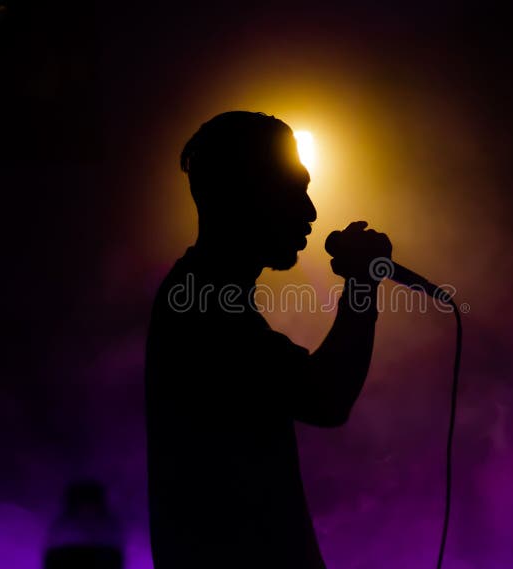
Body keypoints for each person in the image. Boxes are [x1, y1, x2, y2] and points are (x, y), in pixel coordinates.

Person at [144, 111, 391, 568]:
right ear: (242, 193)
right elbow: (325, 398)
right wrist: (361, 283)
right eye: (293, 190)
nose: (310, 212)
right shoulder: (200, 307)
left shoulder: (200, 295)